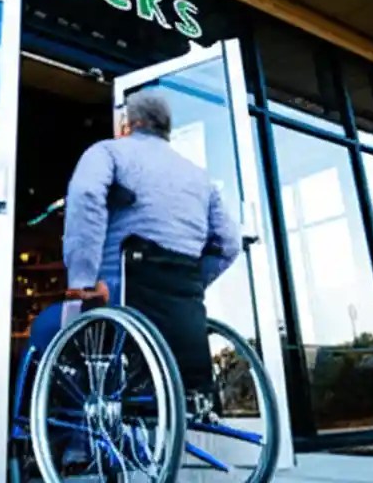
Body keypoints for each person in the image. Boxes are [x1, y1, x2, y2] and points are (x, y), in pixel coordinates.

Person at [28, 89, 241, 401]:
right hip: (179, 307)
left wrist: (83, 278)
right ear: (166, 131)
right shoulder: (201, 179)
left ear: (128, 124)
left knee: (43, 330)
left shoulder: (109, 152)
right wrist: (188, 284)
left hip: (117, 297)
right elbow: (230, 243)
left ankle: (72, 442)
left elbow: (86, 196)